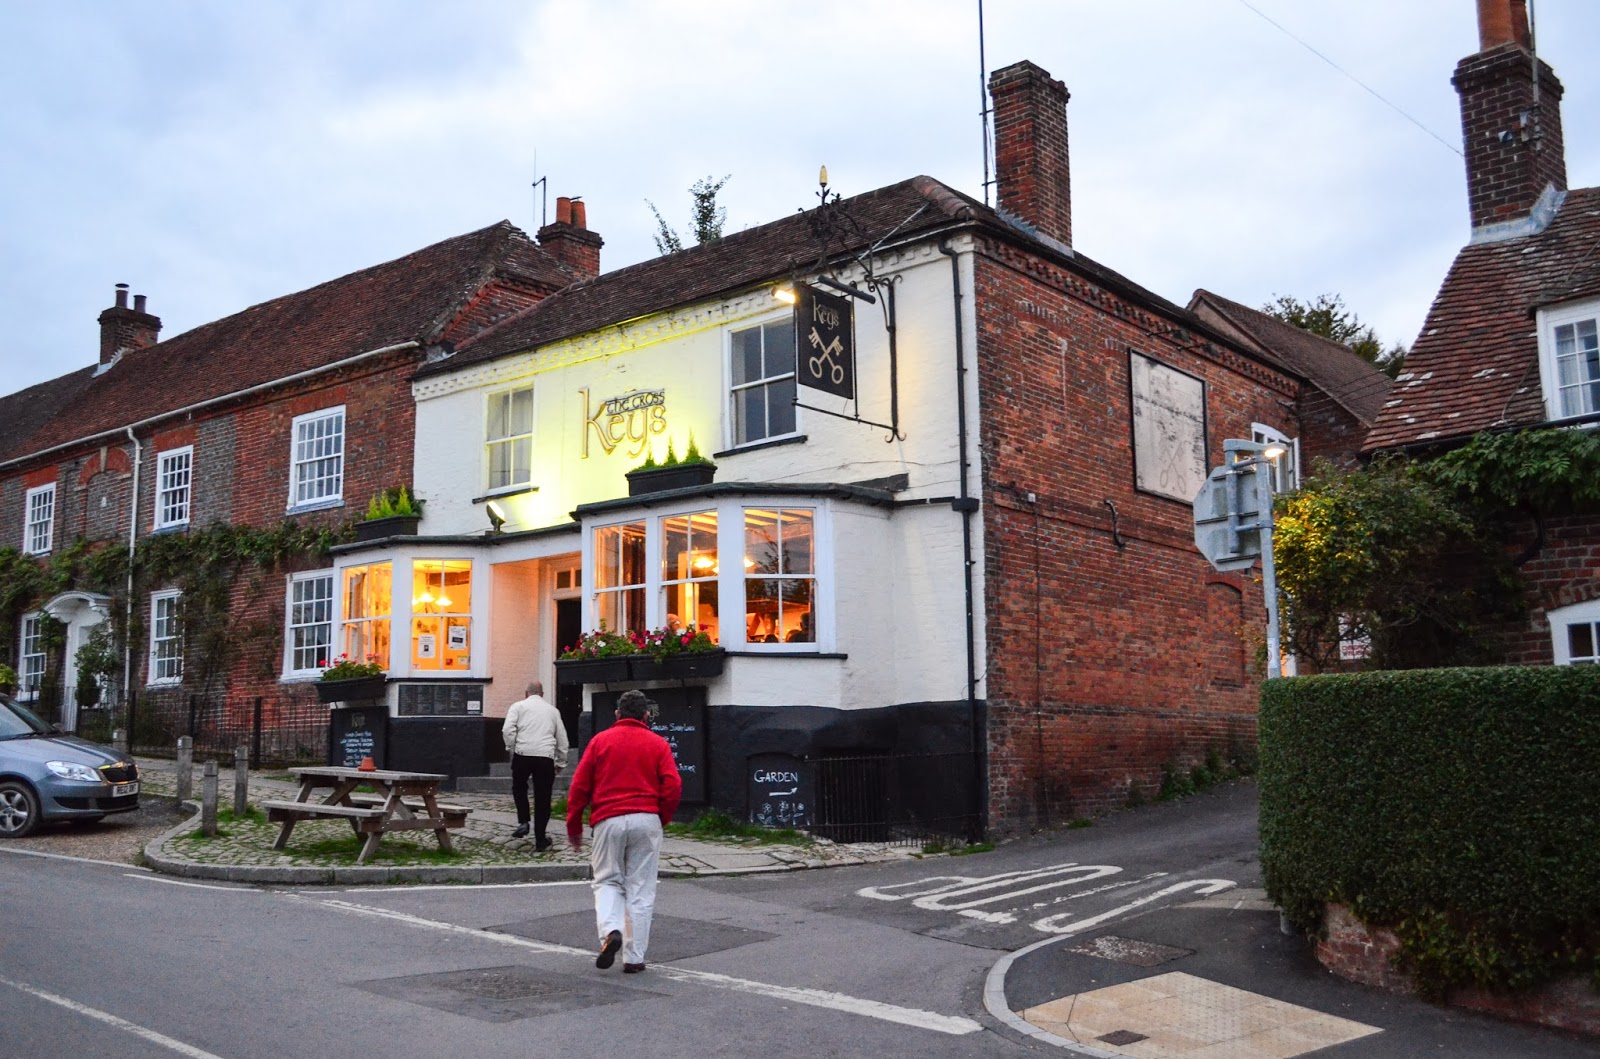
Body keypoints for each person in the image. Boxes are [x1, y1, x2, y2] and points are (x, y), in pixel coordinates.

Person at [566, 689, 682, 973]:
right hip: (646, 819)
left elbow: (579, 787)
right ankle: (634, 958)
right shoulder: (657, 744)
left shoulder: (599, 742)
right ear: (646, 716)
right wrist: (662, 817)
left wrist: (574, 826)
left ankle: (611, 931)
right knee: (641, 889)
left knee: (607, 881)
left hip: (608, 819)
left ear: (617, 714)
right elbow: (673, 785)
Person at [501, 680, 569, 851]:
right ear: (543, 694)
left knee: (519, 787)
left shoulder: (517, 707)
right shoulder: (553, 711)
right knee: (543, 797)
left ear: (526, 693)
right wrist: (561, 761)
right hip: (545, 757)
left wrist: (512, 747)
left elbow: (507, 730)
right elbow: (562, 738)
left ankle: (523, 821)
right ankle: (540, 839)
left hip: (522, 754)